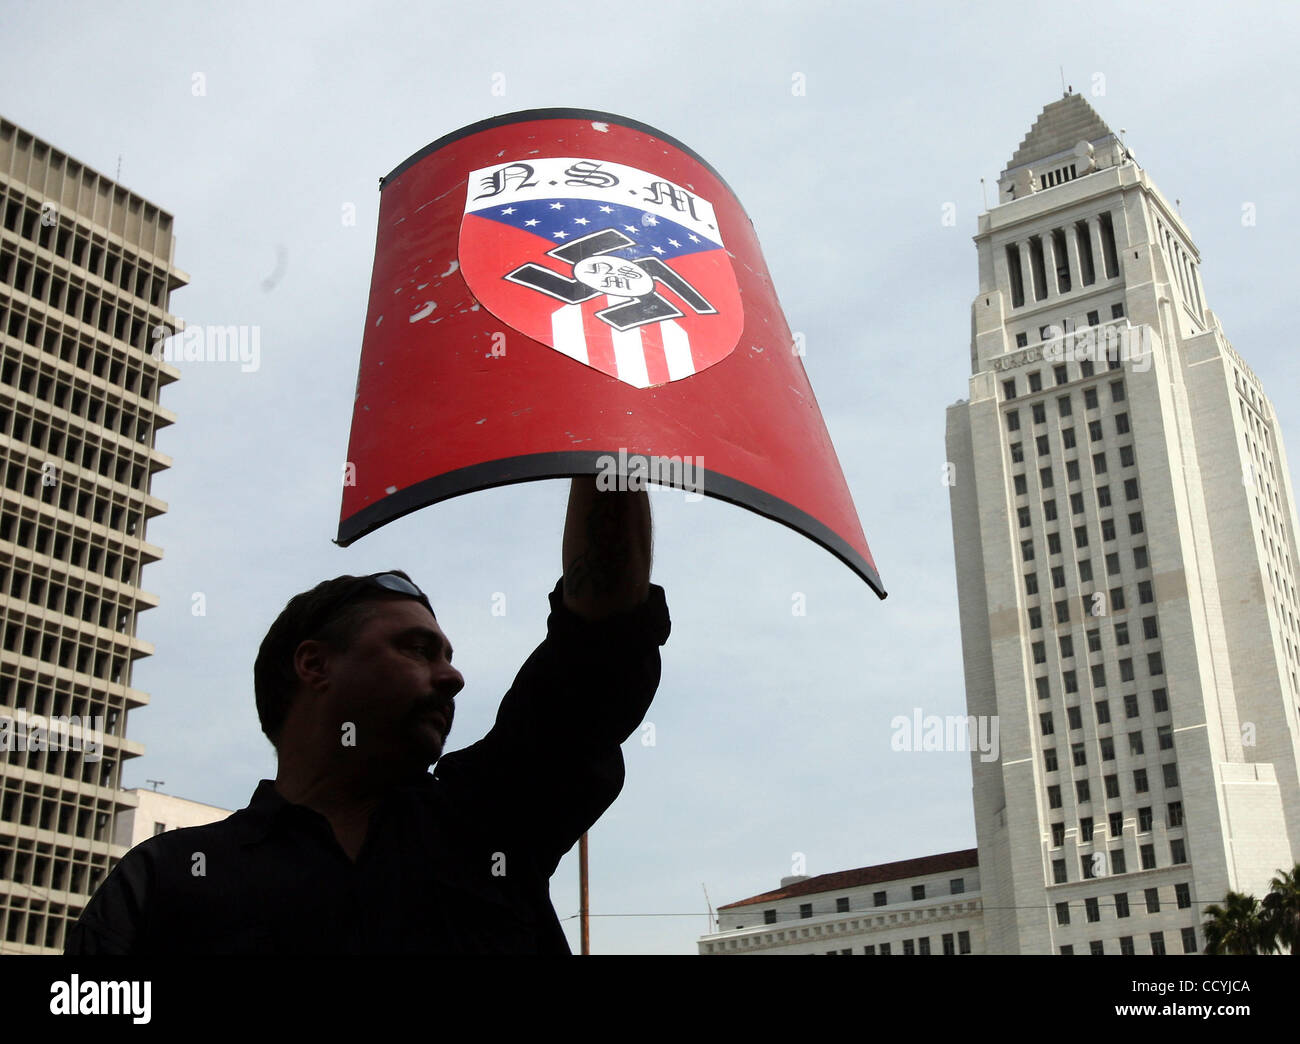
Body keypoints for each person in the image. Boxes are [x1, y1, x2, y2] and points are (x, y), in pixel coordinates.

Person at [64, 476, 668, 954]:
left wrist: (601, 427)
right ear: (314, 665)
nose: (453, 677)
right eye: (417, 649)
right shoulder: (162, 884)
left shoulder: (491, 821)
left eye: (448, 656)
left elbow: (601, 645)